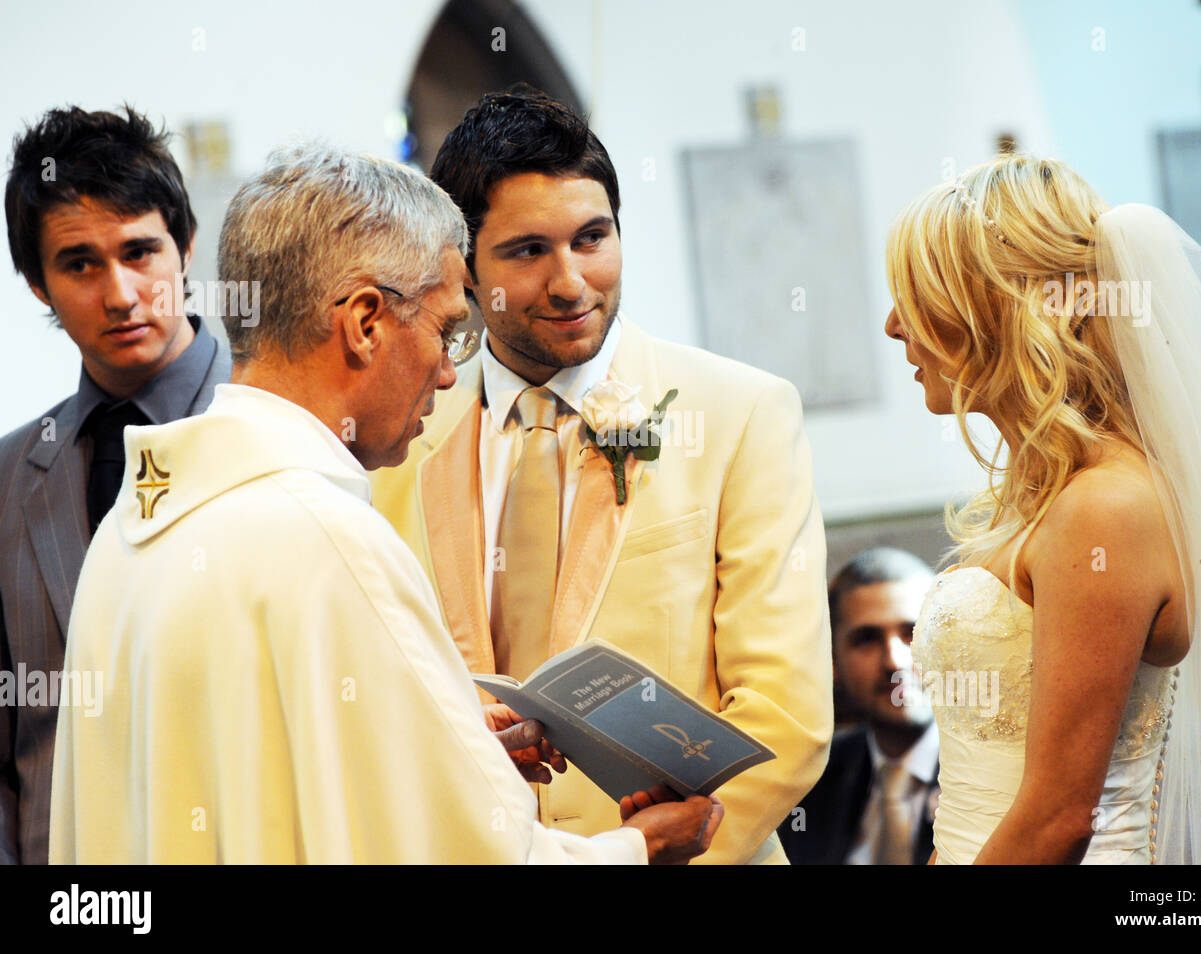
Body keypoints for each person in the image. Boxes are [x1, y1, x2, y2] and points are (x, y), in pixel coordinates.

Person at [49, 144, 723, 864]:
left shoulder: (135, 528)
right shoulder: (330, 541)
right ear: (366, 323)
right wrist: (639, 848)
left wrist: (436, 752)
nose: (444, 372)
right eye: (445, 332)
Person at [369, 84, 832, 864]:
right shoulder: (401, 440)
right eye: (528, 251)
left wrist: (637, 854)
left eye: (593, 238)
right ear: (464, 268)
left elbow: (788, 715)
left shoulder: (740, 413)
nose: (572, 281)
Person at [884, 154, 1201, 864]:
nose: (895, 327)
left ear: (1005, 306)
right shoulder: (1041, 493)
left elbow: (1057, 822)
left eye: (921, 297)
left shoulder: (1104, 508)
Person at [0, 106, 231, 865]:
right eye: (80, 264)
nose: (122, 294)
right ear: (37, 283)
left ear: (185, 246)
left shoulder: (287, 432)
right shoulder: (8, 478)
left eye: (140, 251)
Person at [779, 547, 939, 865]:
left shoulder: (1000, 775)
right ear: (833, 660)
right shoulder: (806, 782)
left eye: (913, 632)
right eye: (866, 638)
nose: (894, 660)